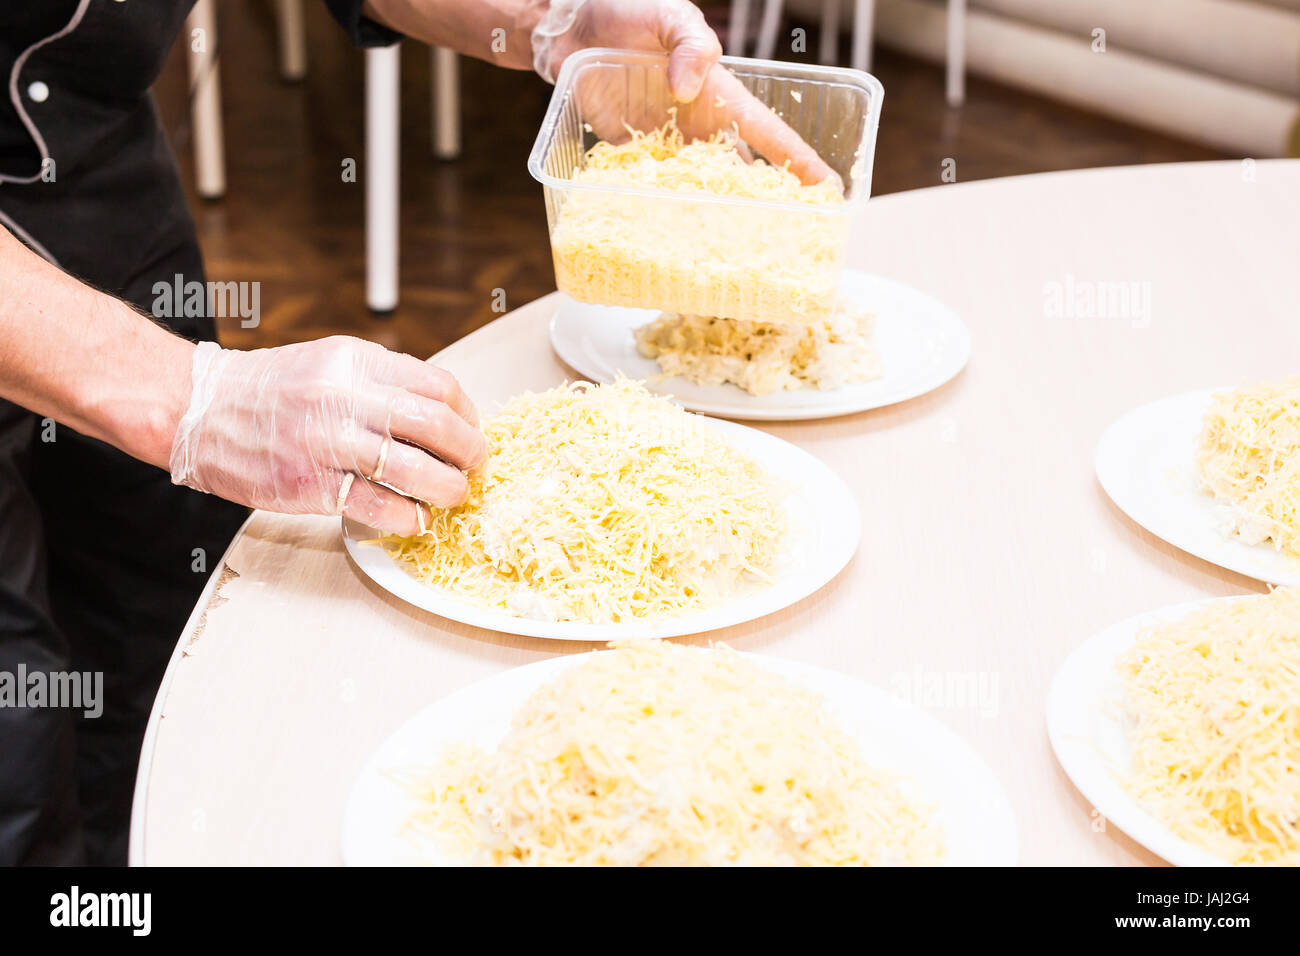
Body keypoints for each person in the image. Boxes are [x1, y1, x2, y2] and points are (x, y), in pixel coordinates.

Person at [0, 0, 830, 866]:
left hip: (91, 164)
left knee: (173, 642)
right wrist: (184, 394)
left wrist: (551, 20)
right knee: (15, 758)